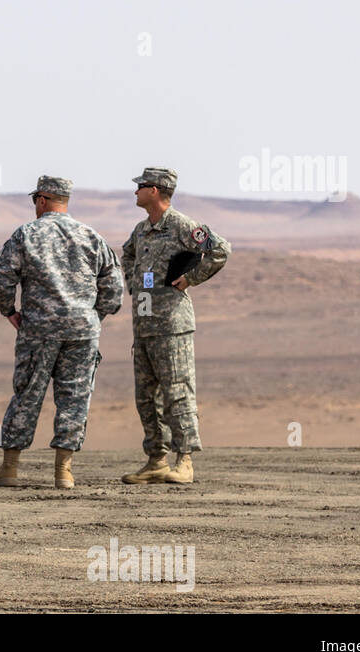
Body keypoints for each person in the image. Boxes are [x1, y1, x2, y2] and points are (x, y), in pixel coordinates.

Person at [0, 175, 124, 488]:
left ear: (41, 200)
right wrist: (93, 317)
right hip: (82, 331)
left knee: (27, 394)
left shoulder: (26, 234)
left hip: (38, 329)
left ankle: (9, 469)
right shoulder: (91, 235)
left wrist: (9, 311)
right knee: (75, 398)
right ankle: (64, 472)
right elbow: (115, 287)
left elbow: (2, 280)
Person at [119, 167, 230, 484]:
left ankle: (185, 461)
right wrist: (134, 282)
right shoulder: (142, 230)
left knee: (177, 392)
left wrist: (191, 278)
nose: (136, 191)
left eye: (141, 186)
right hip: (144, 326)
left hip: (171, 325)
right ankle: (156, 460)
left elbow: (220, 249)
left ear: (154, 191)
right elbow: (127, 255)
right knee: (146, 397)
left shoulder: (182, 226)